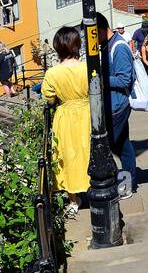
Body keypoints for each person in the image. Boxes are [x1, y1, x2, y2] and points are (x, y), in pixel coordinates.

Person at [40, 26, 91, 217]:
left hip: (66, 116)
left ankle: (72, 199)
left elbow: (50, 98)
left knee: (68, 156)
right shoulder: (87, 67)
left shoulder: (53, 73)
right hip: (86, 112)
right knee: (89, 150)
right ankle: (93, 189)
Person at [98, 13, 138, 198]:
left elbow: (124, 80)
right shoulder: (108, 45)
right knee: (123, 145)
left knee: (115, 146)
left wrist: (99, 79)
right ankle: (128, 183)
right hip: (114, 105)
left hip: (118, 106)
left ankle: (125, 184)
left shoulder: (118, 47)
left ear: (99, 30)